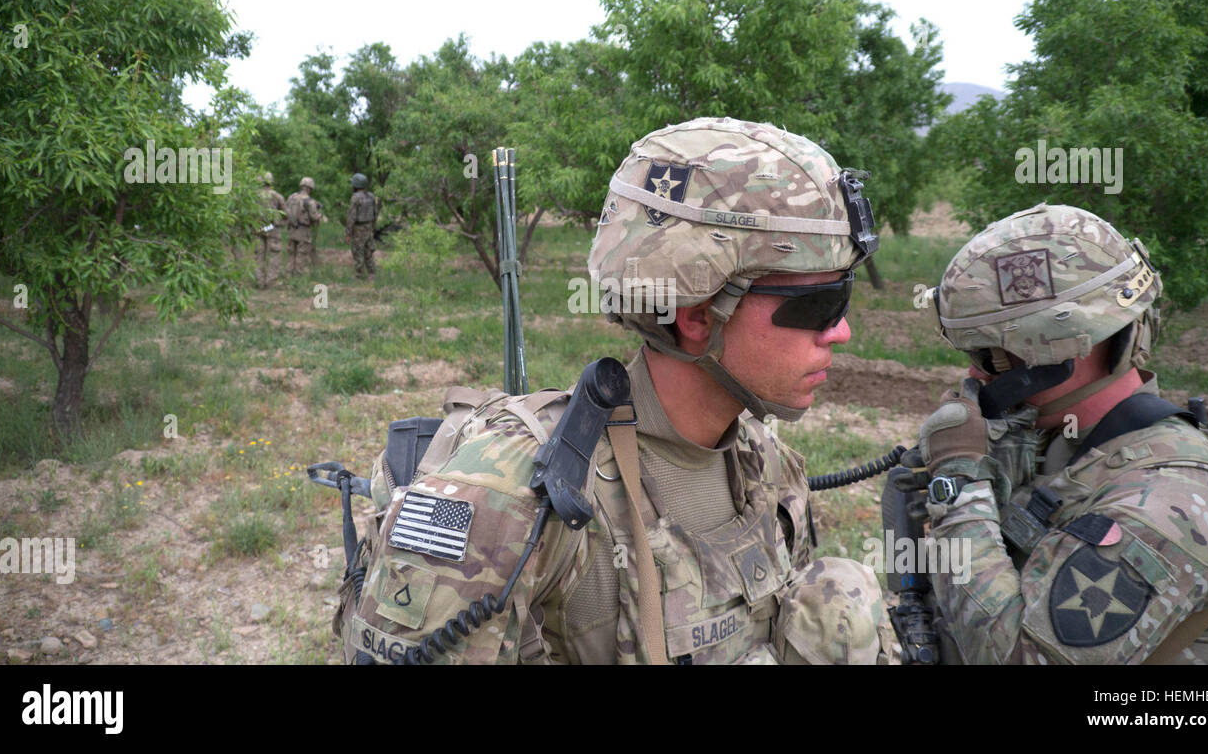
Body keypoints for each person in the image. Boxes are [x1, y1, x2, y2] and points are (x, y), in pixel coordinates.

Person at [338, 117, 896, 664]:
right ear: (699, 314)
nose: (841, 331)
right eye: (822, 305)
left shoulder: (765, 463)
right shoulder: (521, 496)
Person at [905, 203, 1208, 664]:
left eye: (988, 356)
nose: (972, 373)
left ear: (1059, 352)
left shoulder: (1172, 501)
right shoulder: (1067, 447)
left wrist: (959, 488)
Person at [285, 176, 323, 275]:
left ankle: (289, 274)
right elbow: (314, 217)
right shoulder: (310, 201)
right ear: (310, 188)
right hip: (303, 231)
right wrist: (320, 215)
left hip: (292, 229)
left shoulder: (291, 197)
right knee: (301, 254)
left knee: (291, 253)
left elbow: (286, 210)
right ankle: (298, 275)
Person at [345, 173, 379, 279]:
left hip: (358, 229)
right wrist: (373, 228)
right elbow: (375, 214)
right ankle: (371, 274)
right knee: (369, 252)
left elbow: (351, 217)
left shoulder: (355, 198)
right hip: (368, 228)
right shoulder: (371, 196)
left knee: (358, 252)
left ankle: (359, 275)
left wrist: (348, 233)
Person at [255, 172, 286, 288]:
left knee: (258, 255)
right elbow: (285, 213)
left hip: (258, 229)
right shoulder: (277, 196)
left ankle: (259, 281)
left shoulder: (254, 196)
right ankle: (271, 281)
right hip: (272, 229)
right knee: (274, 254)